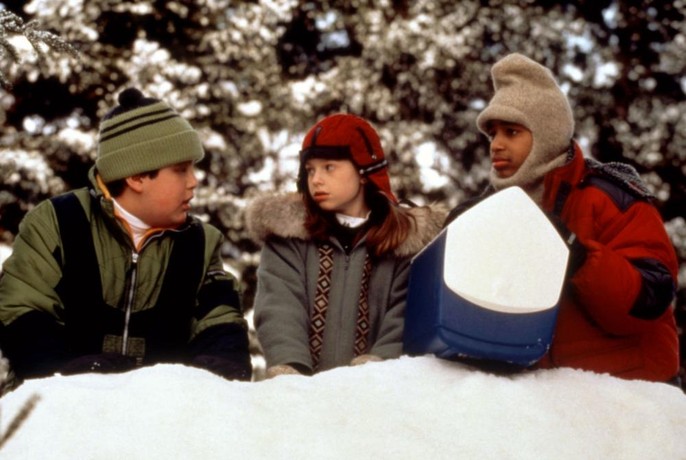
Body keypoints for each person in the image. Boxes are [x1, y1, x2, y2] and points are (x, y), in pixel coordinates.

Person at [445, 53, 680, 384]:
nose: (496, 145)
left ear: (546, 134)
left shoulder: (612, 196)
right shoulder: (488, 211)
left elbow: (651, 300)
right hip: (541, 396)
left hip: (628, 393)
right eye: (492, 134)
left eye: (511, 132)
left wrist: (578, 257)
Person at [0, 88, 252, 388]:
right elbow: (21, 310)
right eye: (181, 170)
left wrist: (215, 376)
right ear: (136, 177)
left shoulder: (200, 243)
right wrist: (69, 374)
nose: (194, 181)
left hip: (161, 408)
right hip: (58, 404)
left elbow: (220, 324)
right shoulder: (57, 222)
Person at [246, 113, 445, 378]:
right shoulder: (288, 239)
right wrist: (291, 371)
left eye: (329, 167)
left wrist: (377, 369)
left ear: (364, 172)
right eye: (310, 170)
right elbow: (279, 307)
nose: (316, 179)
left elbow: (406, 313)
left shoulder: (406, 242)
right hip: (299, 391)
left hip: (380, 391)